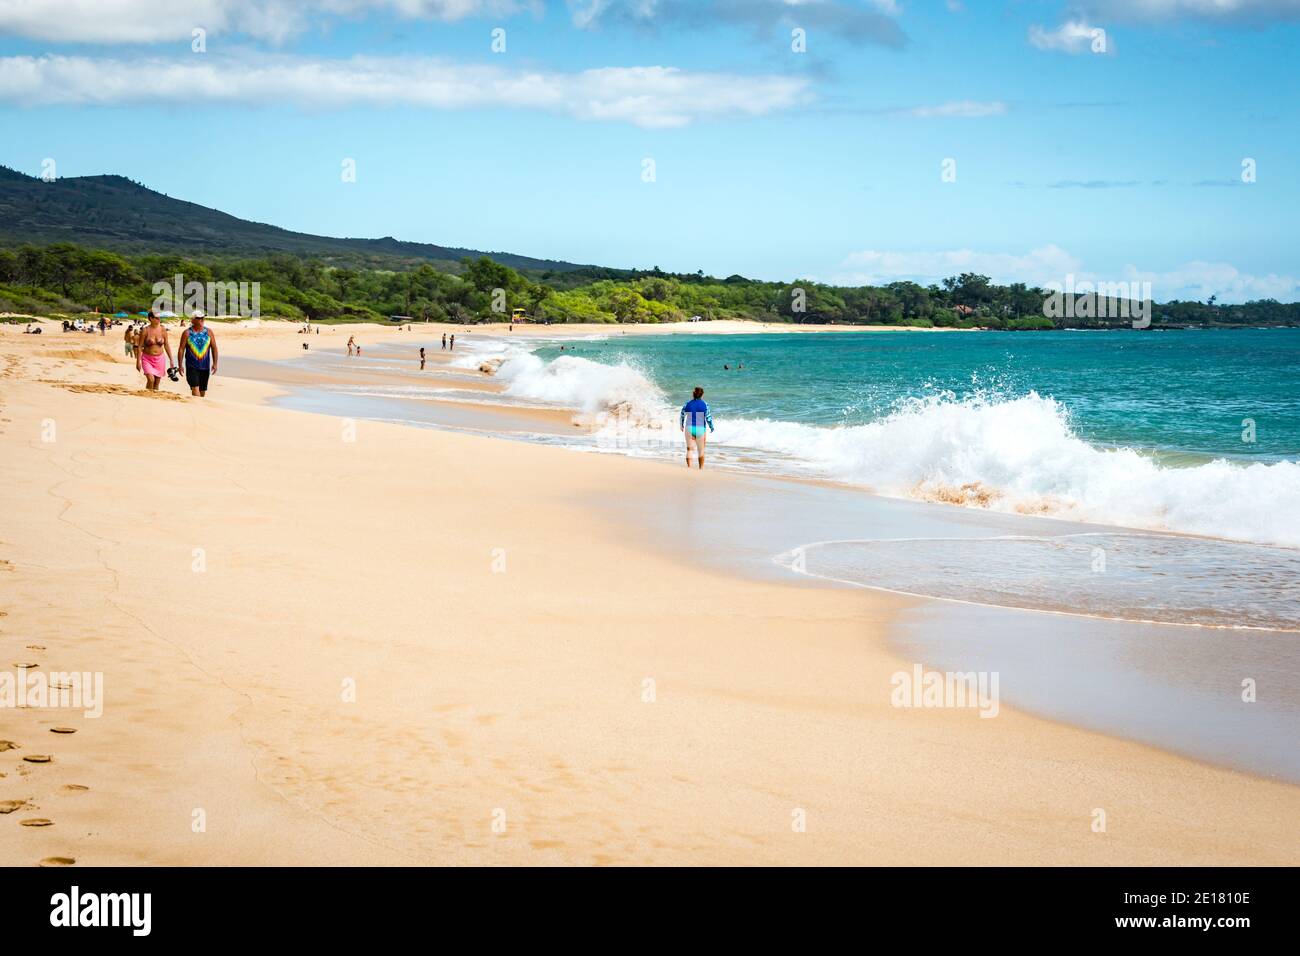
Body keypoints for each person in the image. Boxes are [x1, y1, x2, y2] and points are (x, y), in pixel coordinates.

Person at [177, 312, 218, 397]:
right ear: (193, 320)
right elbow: (181, 349)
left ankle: (200, 408)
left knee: (202, 391)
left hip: (205, 367)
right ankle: (197, 407)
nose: (202, 320)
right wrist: (180, 365)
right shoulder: (187, 333)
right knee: (195, 388)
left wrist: (215, 363)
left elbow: (214, 348)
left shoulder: (209, 332)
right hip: (192, 366)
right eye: (199, 318)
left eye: (203, 318)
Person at [136, 311, 173, 391]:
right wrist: (138, 362)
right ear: (151, 318)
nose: (159, 319)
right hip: (147, 359)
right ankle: (148, 395)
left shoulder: (163, 329)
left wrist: (171, 359)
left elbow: (166, 345)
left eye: (159, 317)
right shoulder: (145, 330)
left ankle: (153, 400)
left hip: (160, 359)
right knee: (151, 380)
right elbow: (139, 347)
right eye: (156, 318)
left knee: (156, 382)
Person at [679, 386, 715, 470]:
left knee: (689, 449)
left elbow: (682, 415)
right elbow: (708, 417)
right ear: (702, 395)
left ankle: (689, 467)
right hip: (700, 429)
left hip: (689, 428)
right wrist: (711, 426)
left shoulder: (687, 404)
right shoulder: (705, 404)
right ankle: (701, 468)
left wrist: (681, 425)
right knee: (701, 450)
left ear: (693, 394)